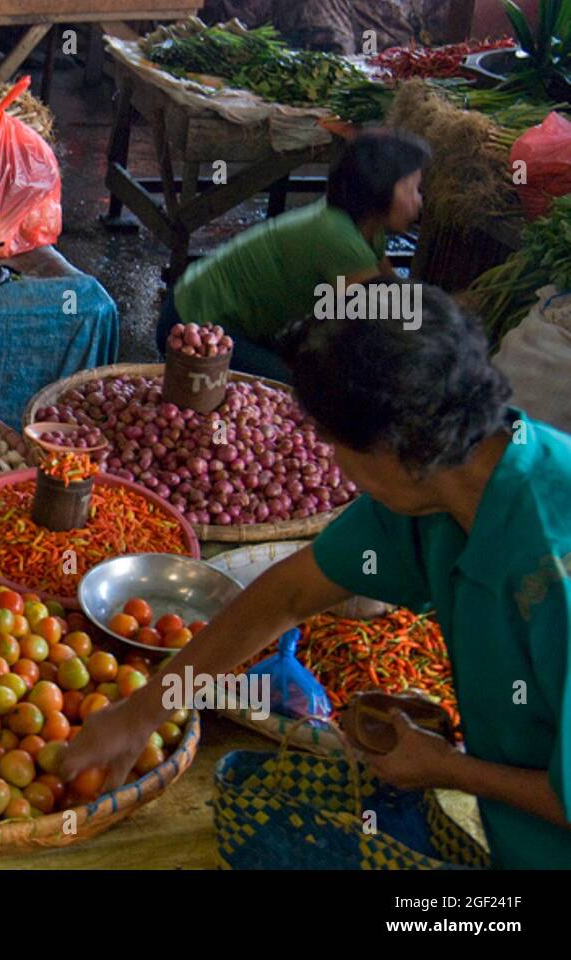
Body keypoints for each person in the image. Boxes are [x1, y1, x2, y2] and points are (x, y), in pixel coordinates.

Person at [71, 279, 571, 869]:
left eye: (336, 446)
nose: (335, 465)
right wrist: (143, 710)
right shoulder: (438, 486)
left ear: (389, 447)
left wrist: (445, 768)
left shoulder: (552, 562)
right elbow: (289, 592)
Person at [156, 130, 428, 382]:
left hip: (201, 306)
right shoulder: (340, 240)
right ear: (381, 188)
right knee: (307, 392)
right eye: (412, 189)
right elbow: (378, 325)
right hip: (191, 327)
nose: (419, 201)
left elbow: (392, 292)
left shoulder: (363, 227)